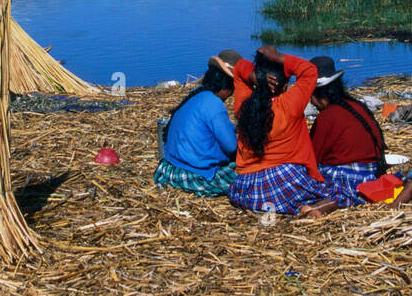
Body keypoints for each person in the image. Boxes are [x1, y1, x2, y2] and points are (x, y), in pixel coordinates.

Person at [226, 46, 340, 218]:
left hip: (247, 189)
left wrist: (255, 76)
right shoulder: (288, 105)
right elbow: (310, 71)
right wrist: (279, 57)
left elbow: (240, 67)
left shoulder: (244, 107)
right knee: (337, 193)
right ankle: (307, 208)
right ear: (285, 85)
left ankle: (296, 208)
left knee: (279, 195)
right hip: (281, 179)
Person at [153, 53, 239, 197]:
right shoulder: (214, 104)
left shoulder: (198, 94)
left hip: (170, 168)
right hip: (195, 175)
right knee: (251, 173)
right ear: (228, 86)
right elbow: (231, 147)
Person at [308, 55, 387, 206]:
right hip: (374, 172)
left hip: (353, 177)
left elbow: (313, 159)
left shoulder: (327, 117)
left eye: (311, 96)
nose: (311, 102)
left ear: (319, 95)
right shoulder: (356, 106)